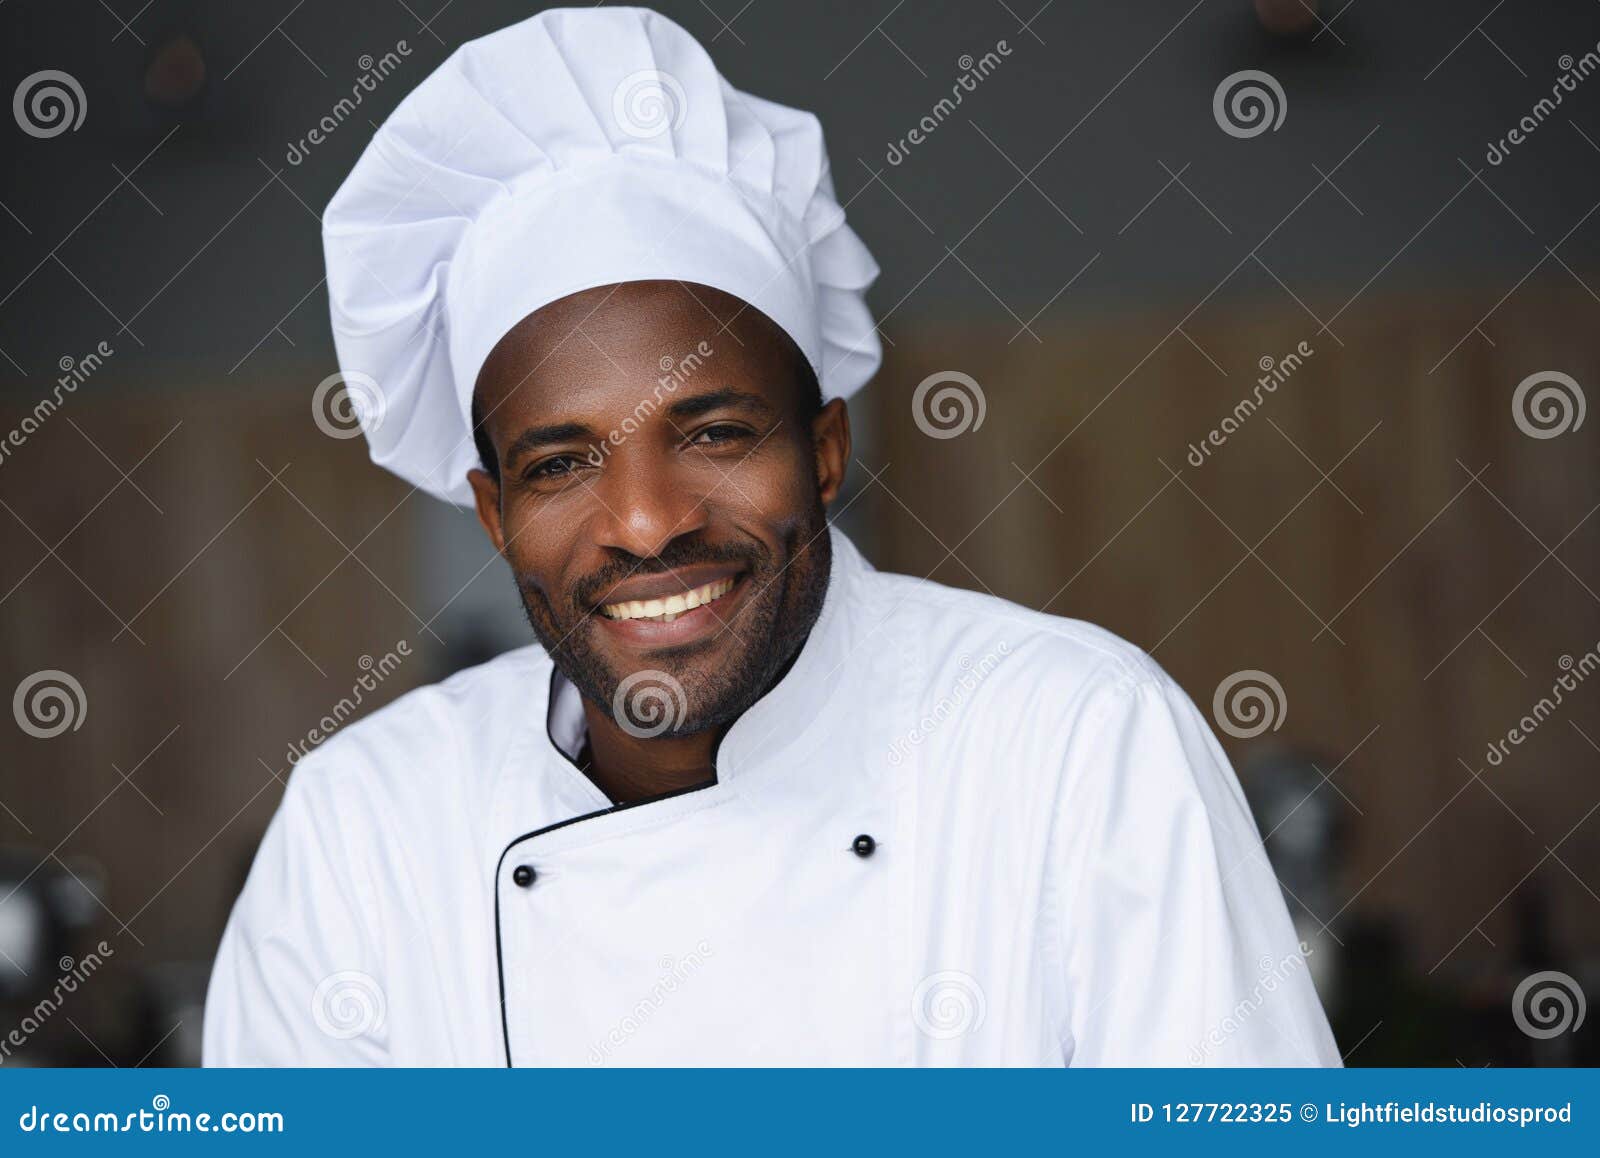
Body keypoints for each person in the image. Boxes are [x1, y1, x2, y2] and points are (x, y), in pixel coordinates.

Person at [203, 6, 1339, 1067]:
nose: (646, 523)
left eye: (713, 433)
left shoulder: (1072, 743)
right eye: (559, 464)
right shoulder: (363, 832)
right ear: (495, 512)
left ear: (826, 449)